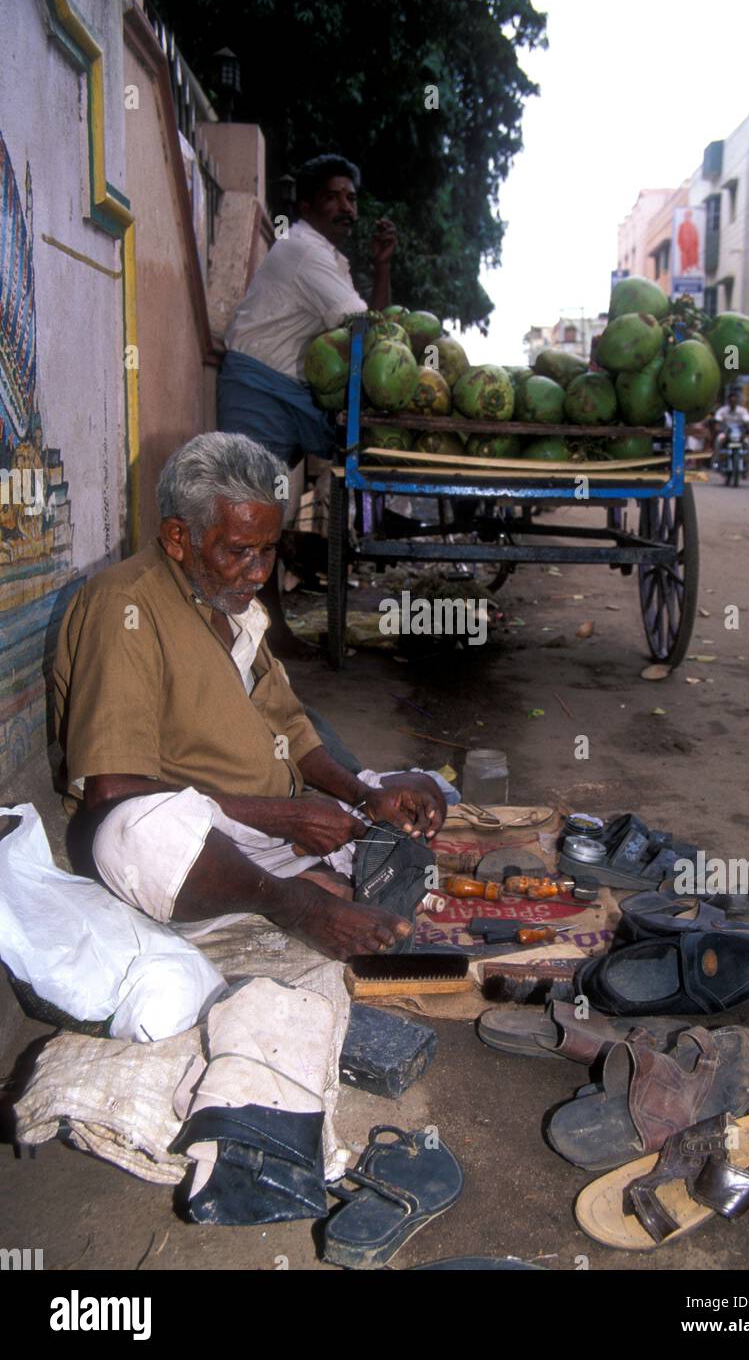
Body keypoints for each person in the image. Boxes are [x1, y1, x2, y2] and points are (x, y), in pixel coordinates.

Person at [52, 433, 448, 1222]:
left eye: (268, 550)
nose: (258, 571)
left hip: (264, 838)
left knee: (427, 803)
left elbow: (295, 731)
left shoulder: (235, 603)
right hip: (186, 854)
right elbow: (114, 792)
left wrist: (363, 794)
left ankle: (313, 888)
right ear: (178, 537)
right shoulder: (123, 608)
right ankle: (294, 905)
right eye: (239, 551)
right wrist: (283, 816)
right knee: (135, 830)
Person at [217, 154, 397, 652]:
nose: (347, 207)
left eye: (352, 198)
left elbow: (368, 329)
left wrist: (382, 267)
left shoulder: (328, 259)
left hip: (291, 393)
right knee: (251, 515)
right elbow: (368, 327)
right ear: (306, 205)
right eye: (334, 197)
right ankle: (259, 638)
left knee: (264, 511)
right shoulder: (303, 251)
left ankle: (267, 634)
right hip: (259, 387)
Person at [712, 388, 749, 461]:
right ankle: (717, 459)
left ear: (737, 401)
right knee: (718, 440)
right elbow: (717, 421)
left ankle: (746, 459)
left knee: (748, 442)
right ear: (728, 401)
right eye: (731, 401)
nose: (732, 402)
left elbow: (748, 421)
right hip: (726, 432)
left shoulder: (743, 411)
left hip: (740, 434)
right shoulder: (722, 410)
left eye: (734, 401)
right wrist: (717, 428)